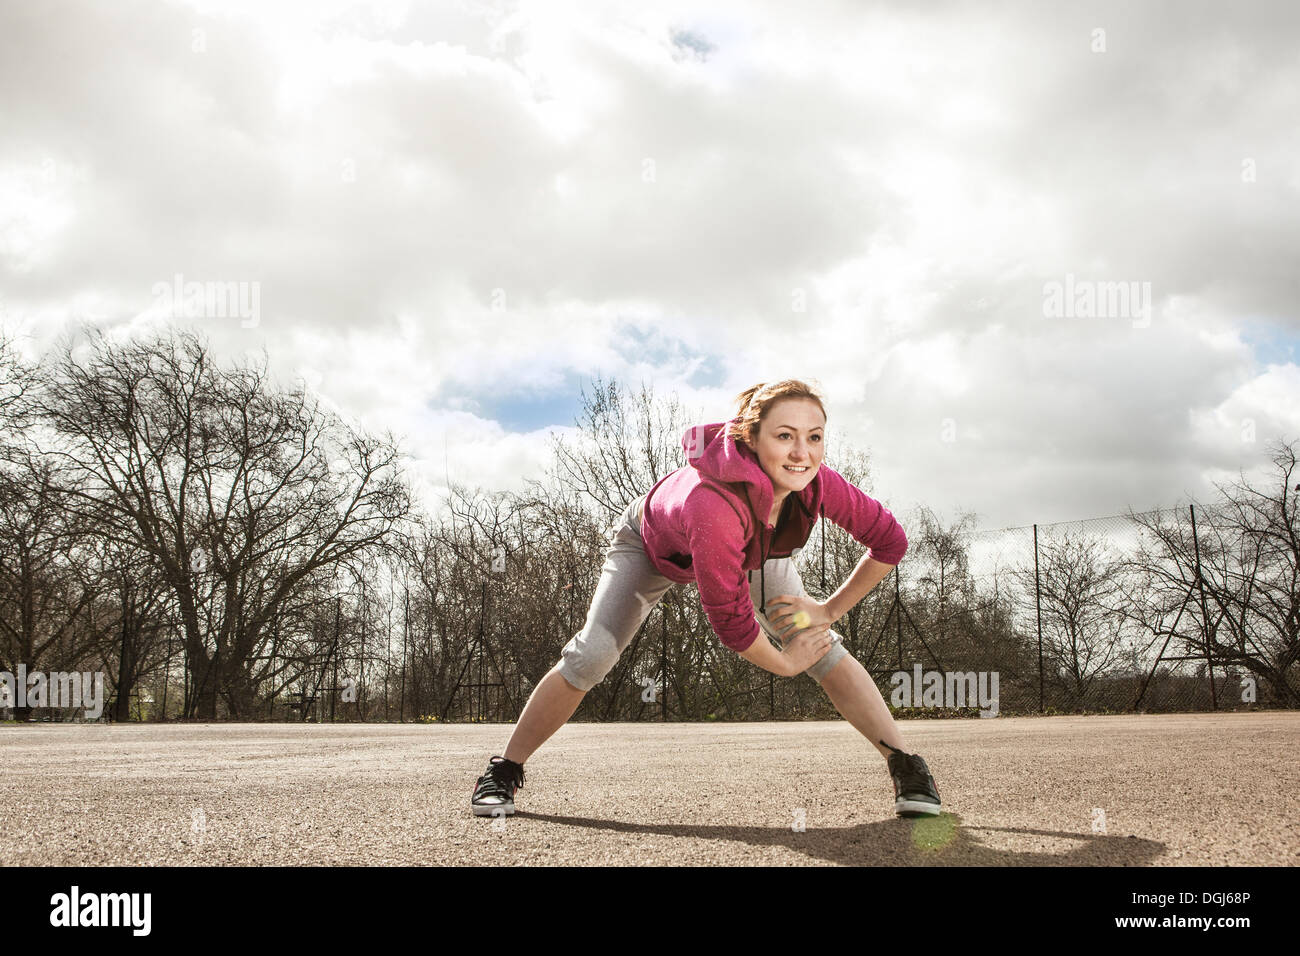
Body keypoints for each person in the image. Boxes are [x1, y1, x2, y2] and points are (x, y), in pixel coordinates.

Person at [471, 379, 942, 819]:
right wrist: (784, 663)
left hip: (754, 548)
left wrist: (826, 611)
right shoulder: (713, 505)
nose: (802, 453)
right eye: (784, 436)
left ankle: (906, 765)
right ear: (751, 438)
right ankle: (504, 768)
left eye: (815, 437)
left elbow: (890, 543)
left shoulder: (816, 482)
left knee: (818, 641)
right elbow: (732, 623)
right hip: (652, 545)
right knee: (592, 655)